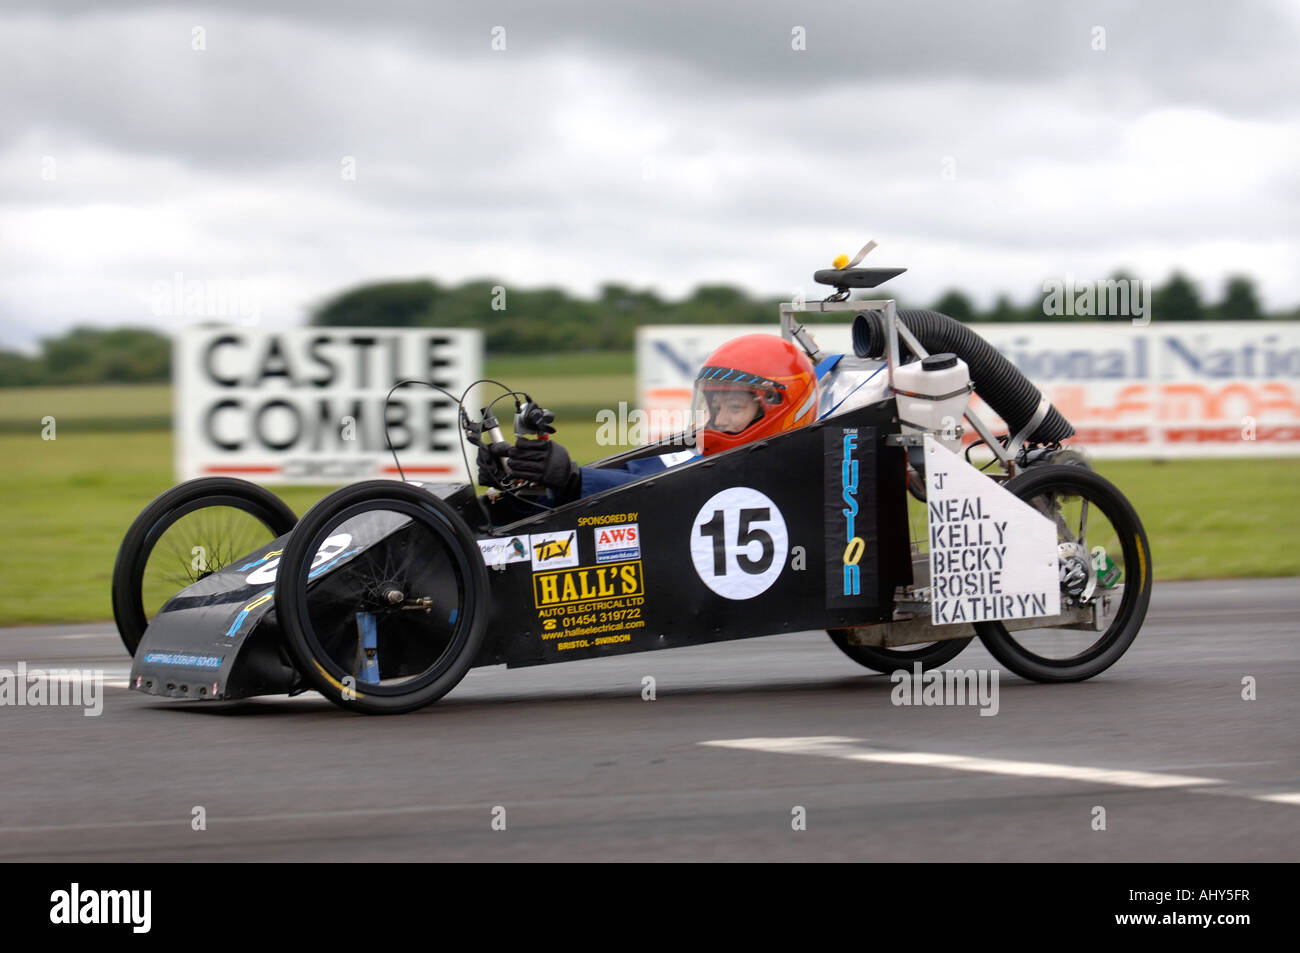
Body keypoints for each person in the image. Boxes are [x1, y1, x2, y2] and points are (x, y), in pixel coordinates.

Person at [481, 334, 819, 505]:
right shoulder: (703, 454)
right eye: (715, 407)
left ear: (777, 409)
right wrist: (525, 485)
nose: (719, 420)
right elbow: (631, 478)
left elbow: (650, 495)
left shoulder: (756, 474)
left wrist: (572, 479)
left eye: (734, 408)